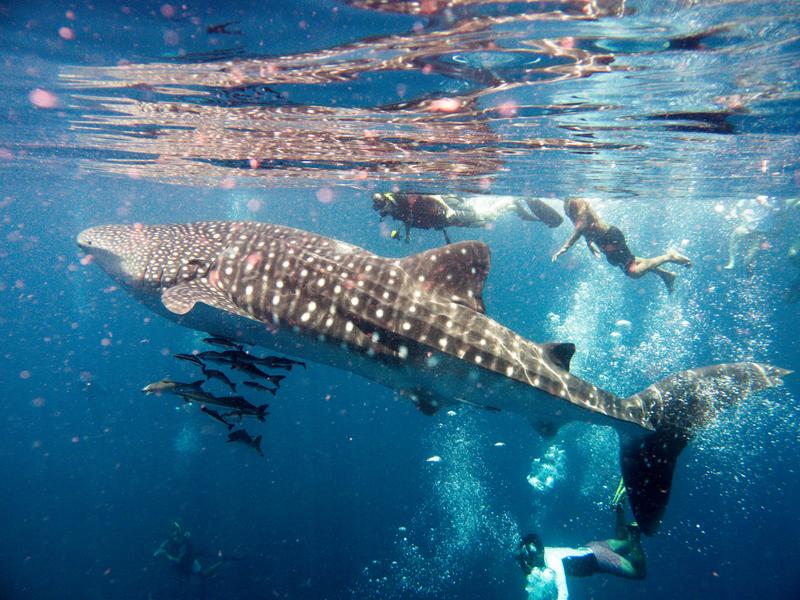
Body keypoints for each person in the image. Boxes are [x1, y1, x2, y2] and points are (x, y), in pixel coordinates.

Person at [551, 197, 691, 293]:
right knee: (628, 263)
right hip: (604, 242)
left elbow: (581, 226)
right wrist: (589, 243)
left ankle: (669, 256)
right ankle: (666, 275)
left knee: (633, 272)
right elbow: (585, 227)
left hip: (610, 237)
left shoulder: (578, 203)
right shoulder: (570, 206)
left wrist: (565, 248)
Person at [518, 503, 646, 600]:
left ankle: (634, 533)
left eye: (532, 557)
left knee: (639, 573)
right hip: (592, 548)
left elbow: (563, 593)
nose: (530, 561)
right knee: (625, 541)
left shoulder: (553, 562)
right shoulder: (534, 555)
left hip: (599, 557)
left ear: (541, 552)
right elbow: (524, 562)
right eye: (527, 556)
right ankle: (620, 507)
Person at [372, 192, 563, 243]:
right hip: (446, 219)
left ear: (386, 200)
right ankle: (511, 205)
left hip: (448, 212)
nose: (384, 212)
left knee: (484, 216)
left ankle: (513, 200)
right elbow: (409, 220)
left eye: (382, 207)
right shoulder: (397, 210)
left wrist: (448, 209)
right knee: (481, 221)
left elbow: (432, 196)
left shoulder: (403, 198)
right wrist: (407, 235)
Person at [153, 522, 230, 581]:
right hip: (182, 563)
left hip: (190, 561)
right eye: (173, 533)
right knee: (186, 578)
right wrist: (160, 551)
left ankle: (222, 561)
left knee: (202, 575)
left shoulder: (184, 543)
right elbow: (157, 551)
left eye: (176, 534)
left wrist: (166, 554)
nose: (175, 536)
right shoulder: (169, 541)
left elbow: (179, 560)